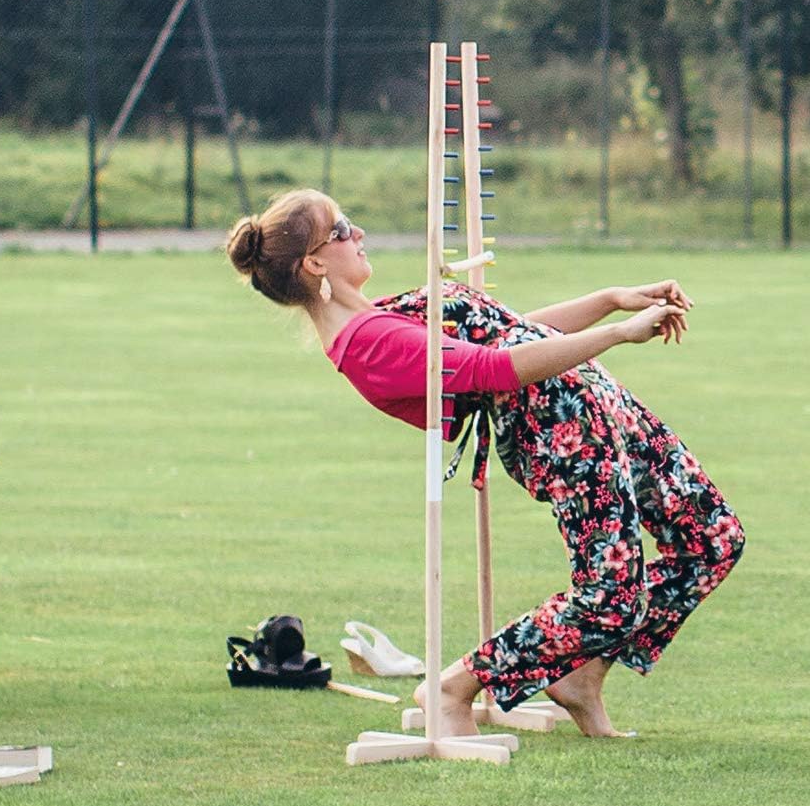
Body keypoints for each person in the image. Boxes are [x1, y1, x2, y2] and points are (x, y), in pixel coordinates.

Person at [227, 189, 745, 738]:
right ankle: (454, 687)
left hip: (597, 405)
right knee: (610, 599)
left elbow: (517, 331)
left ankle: (582, 677)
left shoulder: (377, 315)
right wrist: (616, 334)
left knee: (713, 539)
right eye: (343, 228)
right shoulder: (370, 344)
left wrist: (612, 300)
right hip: (565, 434)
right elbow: (496, 369)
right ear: (313, 263)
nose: (359, 235)